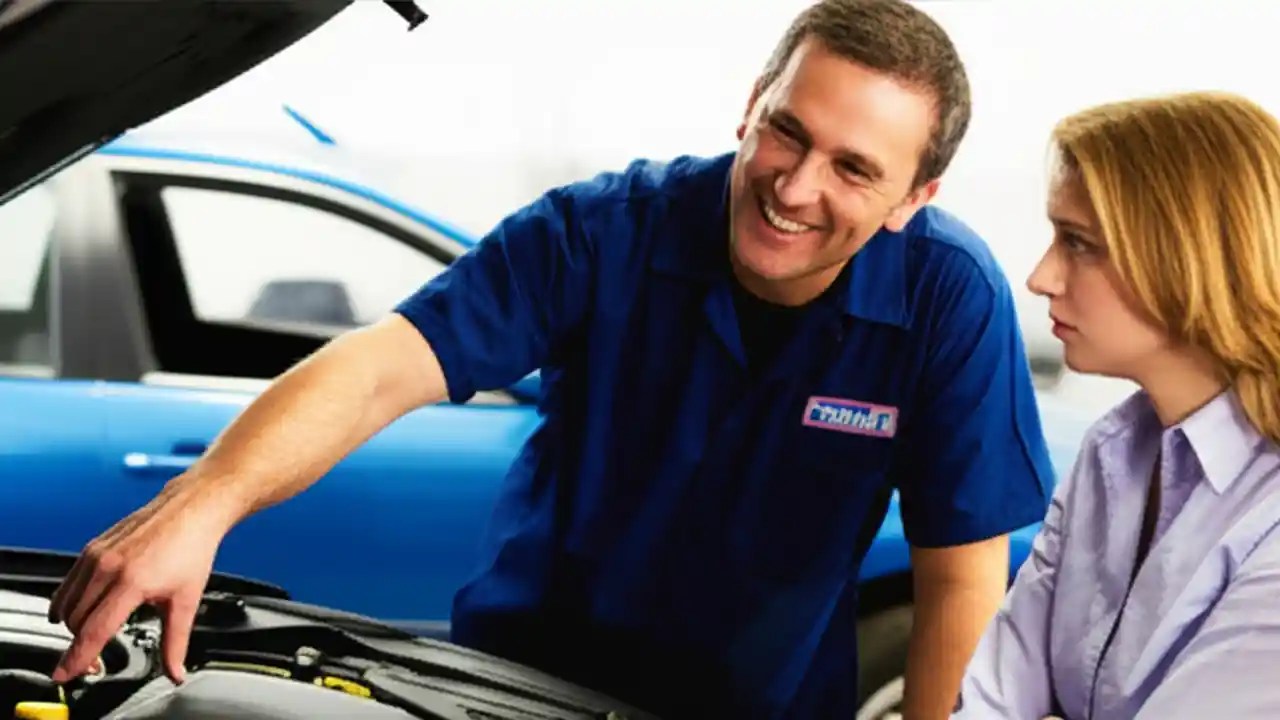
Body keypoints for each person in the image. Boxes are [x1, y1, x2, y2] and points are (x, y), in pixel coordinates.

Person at [47, 1, 1055, 717]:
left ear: (913, 197)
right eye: (787, 132)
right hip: (522, 691)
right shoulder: (601, 231)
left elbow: (959, 579)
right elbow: (380, 367)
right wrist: (203, 503)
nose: (794, 186)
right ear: (750, 105)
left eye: (852, 168)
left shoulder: (946, 297)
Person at [952, 90, 1280, 720]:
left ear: (1186, 257)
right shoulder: (1112, 451)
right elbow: (993, 698)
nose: (1041, 277)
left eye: (1078, 243)